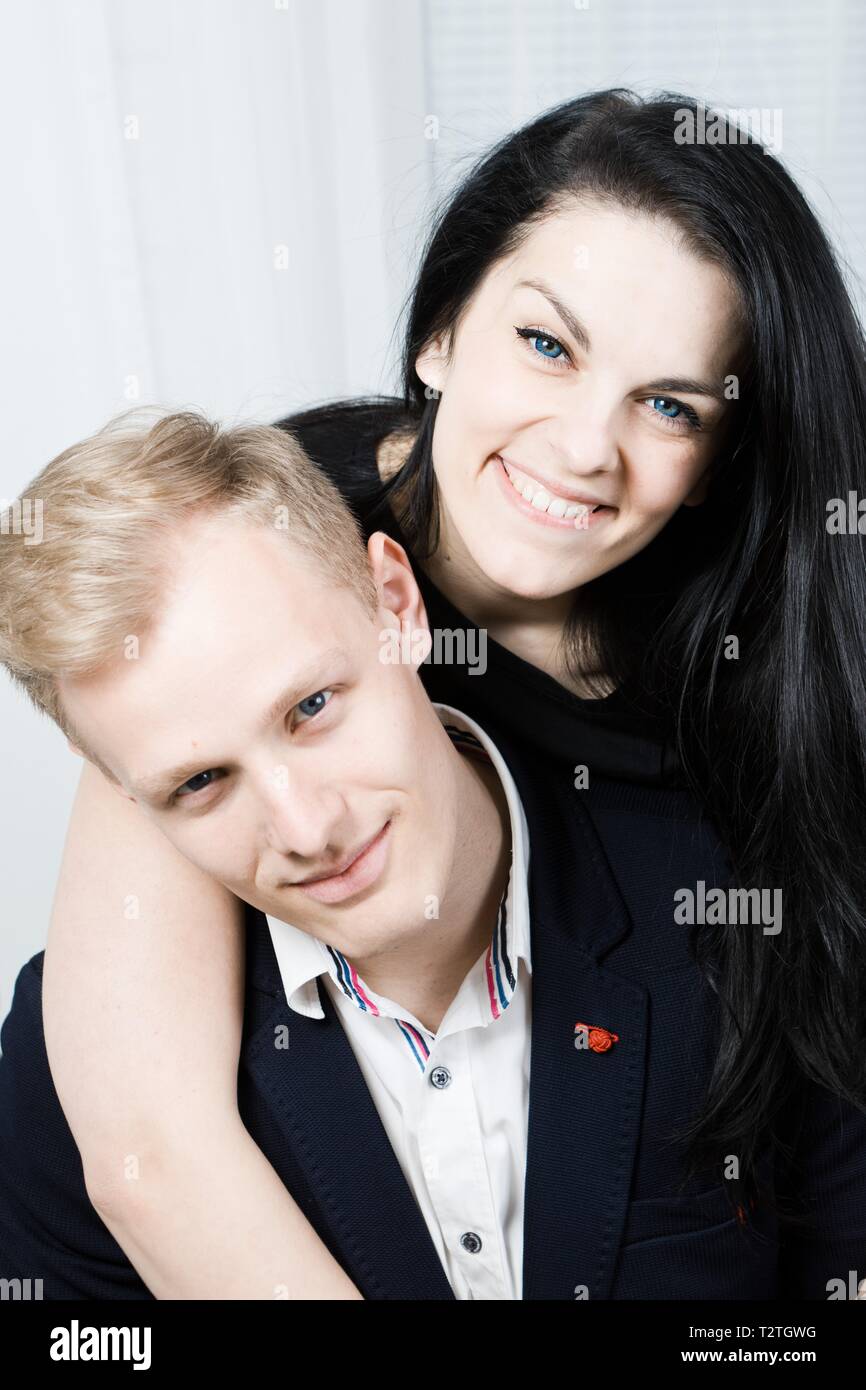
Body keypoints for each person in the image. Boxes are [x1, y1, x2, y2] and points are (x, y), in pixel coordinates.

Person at [3, 85, 865, 1299]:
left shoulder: (758, 713)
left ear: (720, 463)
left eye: (666, 403)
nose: (580, 447)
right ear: (439, 333)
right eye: (546, 345)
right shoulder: (256, 573)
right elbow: (148, 1154)